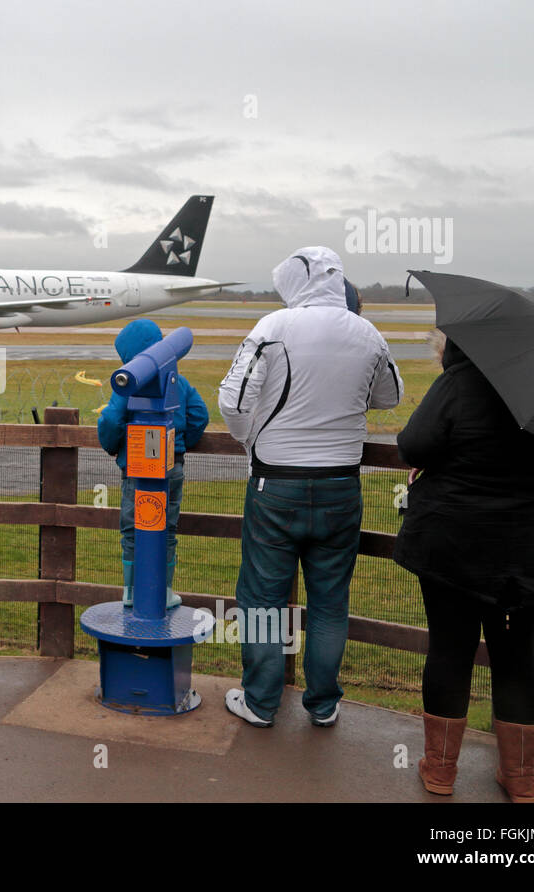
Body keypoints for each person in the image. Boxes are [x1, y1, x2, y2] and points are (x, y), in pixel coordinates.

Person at [218, 247, 402, 728]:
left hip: (275, 484)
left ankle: (259, 702)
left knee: (262, 599)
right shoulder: (367, 333)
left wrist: (248, 442)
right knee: (329, 603)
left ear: (292, 284)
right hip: (342, 485)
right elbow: (391, 396)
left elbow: (233, 400)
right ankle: (323, 705)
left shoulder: (274, 327)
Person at [394, 332, 534, 802]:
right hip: (530, 551)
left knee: (450, 651)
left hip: (453, 544)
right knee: (517, 657)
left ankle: (439, 772)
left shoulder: (461, 381)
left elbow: (414, 444)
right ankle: (520, 778)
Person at [97, 319, 209, 609]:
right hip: (174, 466)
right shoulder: (178, 382)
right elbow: (199, 415)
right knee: (167, 527)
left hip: (136, 469)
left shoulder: (132, 382)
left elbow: (111, 420)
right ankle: (165, 589)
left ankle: (131, 590)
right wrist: (182, 443)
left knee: (132, 527)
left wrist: (112, 446)